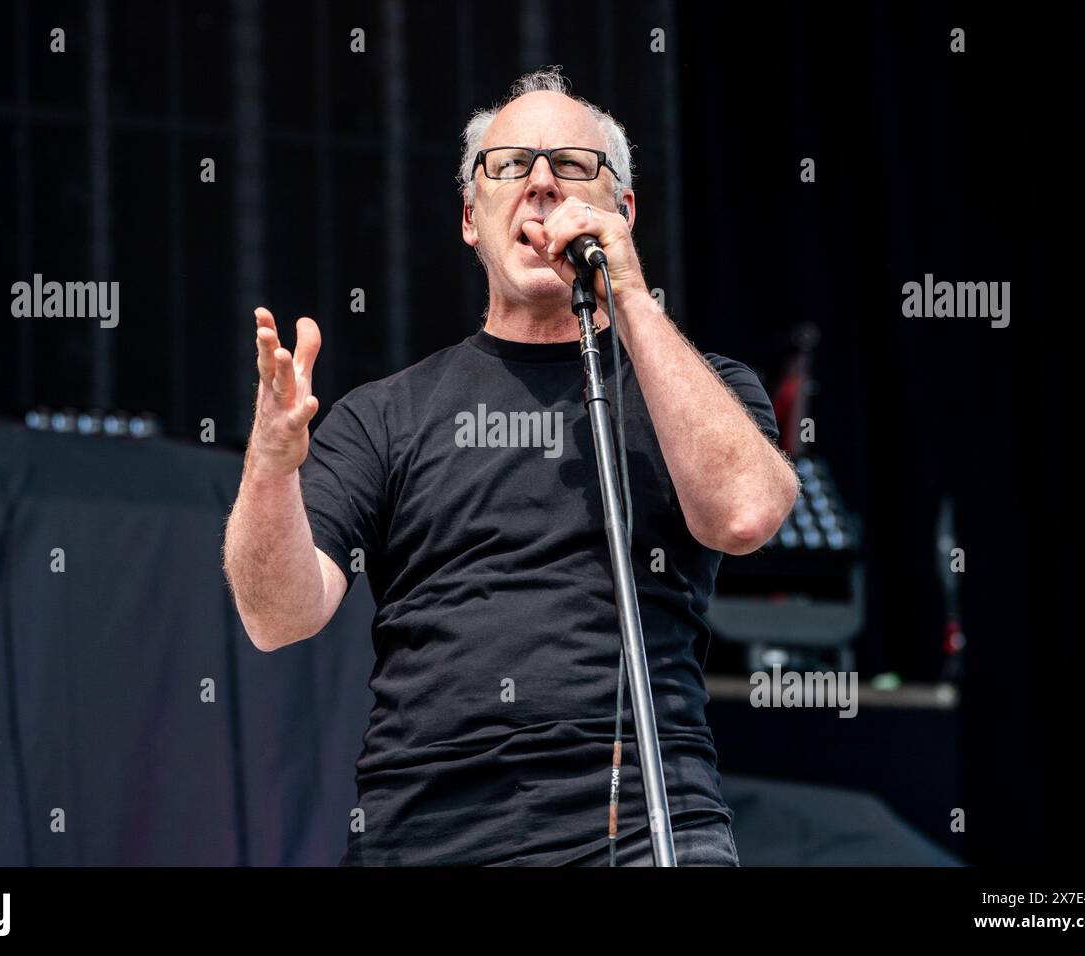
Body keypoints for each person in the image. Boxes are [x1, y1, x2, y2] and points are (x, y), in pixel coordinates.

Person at [222, 67, 798, 866]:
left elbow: (744, 513)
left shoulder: (702, 390)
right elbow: (277, 616)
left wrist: (625, 291)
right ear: (469, 217)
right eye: (508, 166)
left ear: (623, 209)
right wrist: (272, 467)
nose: (538, 184)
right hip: (423, 836)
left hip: (643, 830)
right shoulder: (386, 415)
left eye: (569, 164)